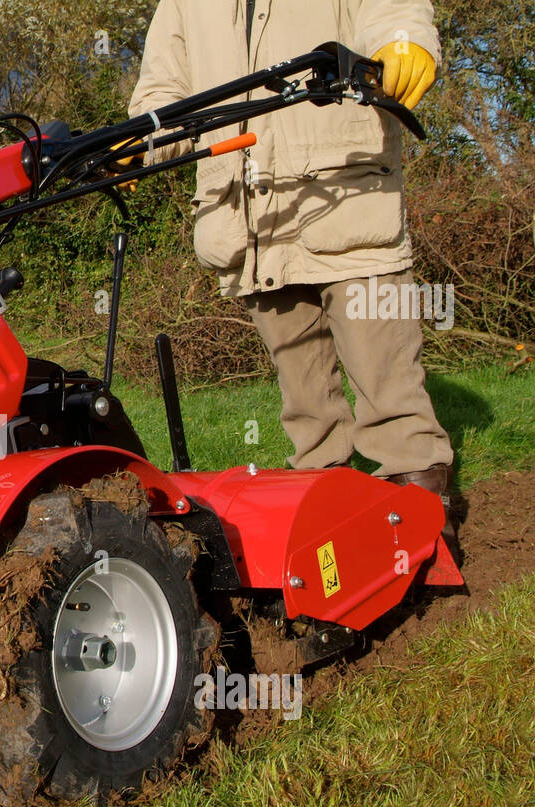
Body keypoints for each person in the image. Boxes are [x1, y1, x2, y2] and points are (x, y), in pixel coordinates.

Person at [125, 0, 459, 561]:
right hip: (252, 216)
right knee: (306, 399)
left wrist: (404, 42)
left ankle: (421, 518)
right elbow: (166, 95)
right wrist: (135, 142)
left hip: (345, 194)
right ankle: (330, 514)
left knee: (385, 373)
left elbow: (393, 11)